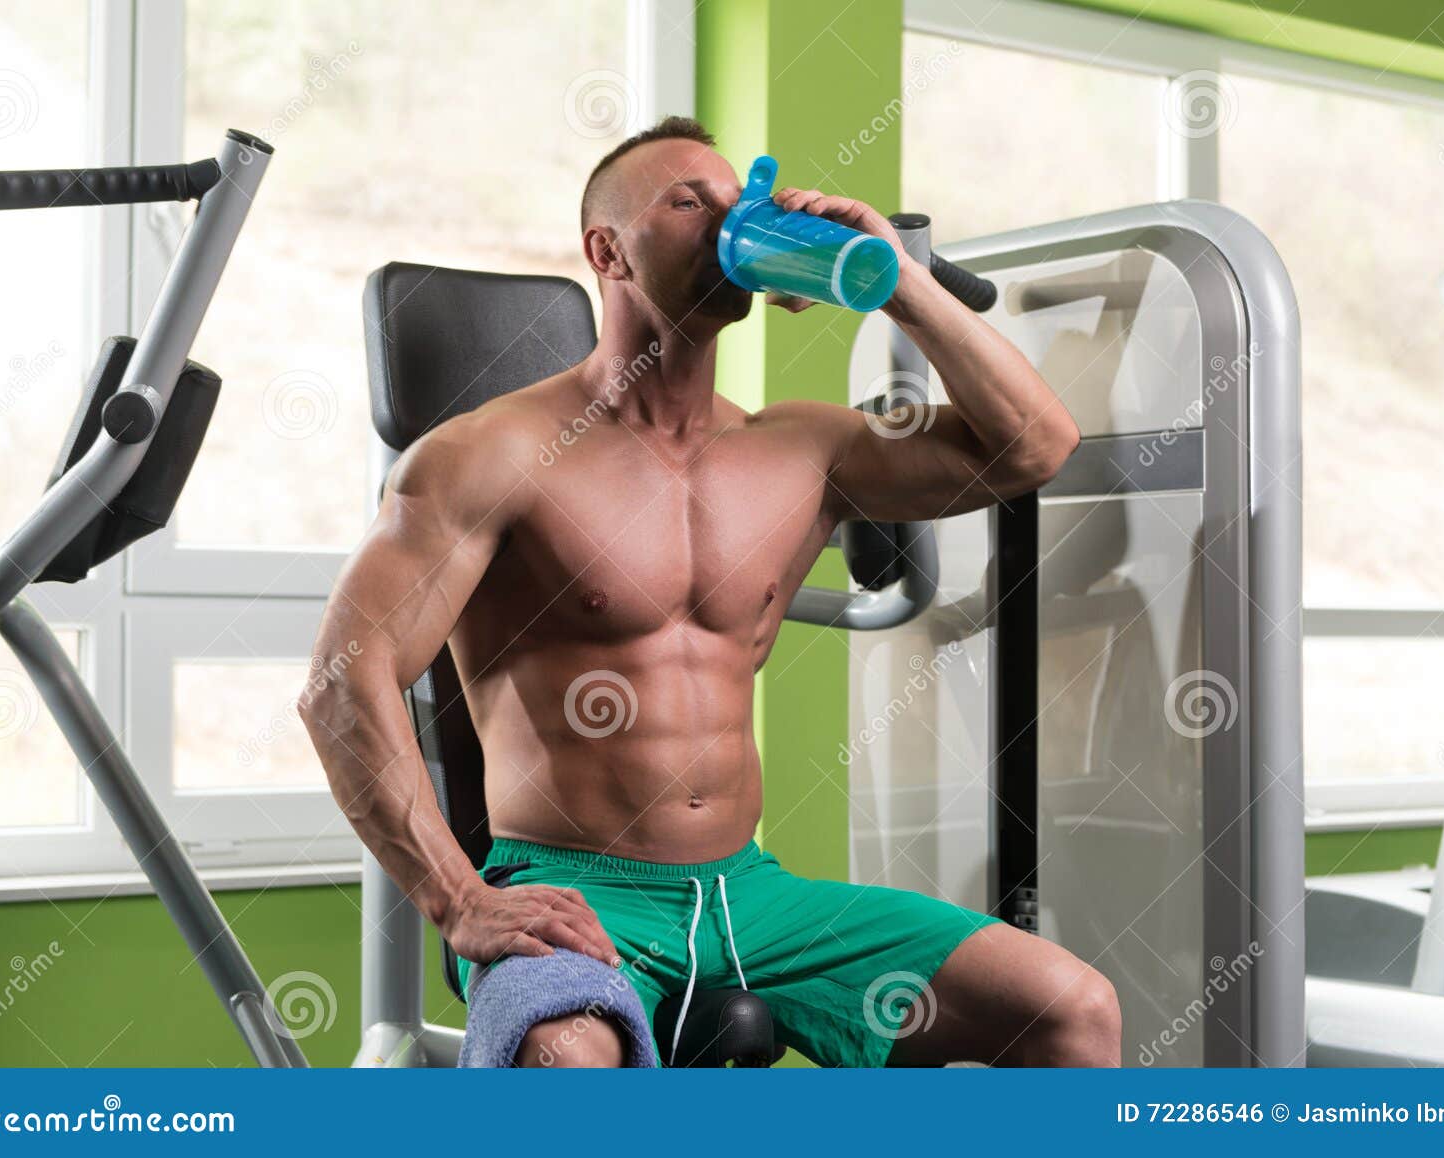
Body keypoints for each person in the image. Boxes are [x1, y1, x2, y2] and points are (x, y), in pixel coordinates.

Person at [299, 116, 1113, 1068]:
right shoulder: (496, 453)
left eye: (740, 205)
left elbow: (1035, 446)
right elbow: (340, 684)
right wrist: (461, 899)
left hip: (755, 897)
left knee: (1073, 1010)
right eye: (689, 203)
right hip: (579, 891)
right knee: (564, 1063)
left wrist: (900, 284)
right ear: (608, 251)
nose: (728, 222)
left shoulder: (803, 448)